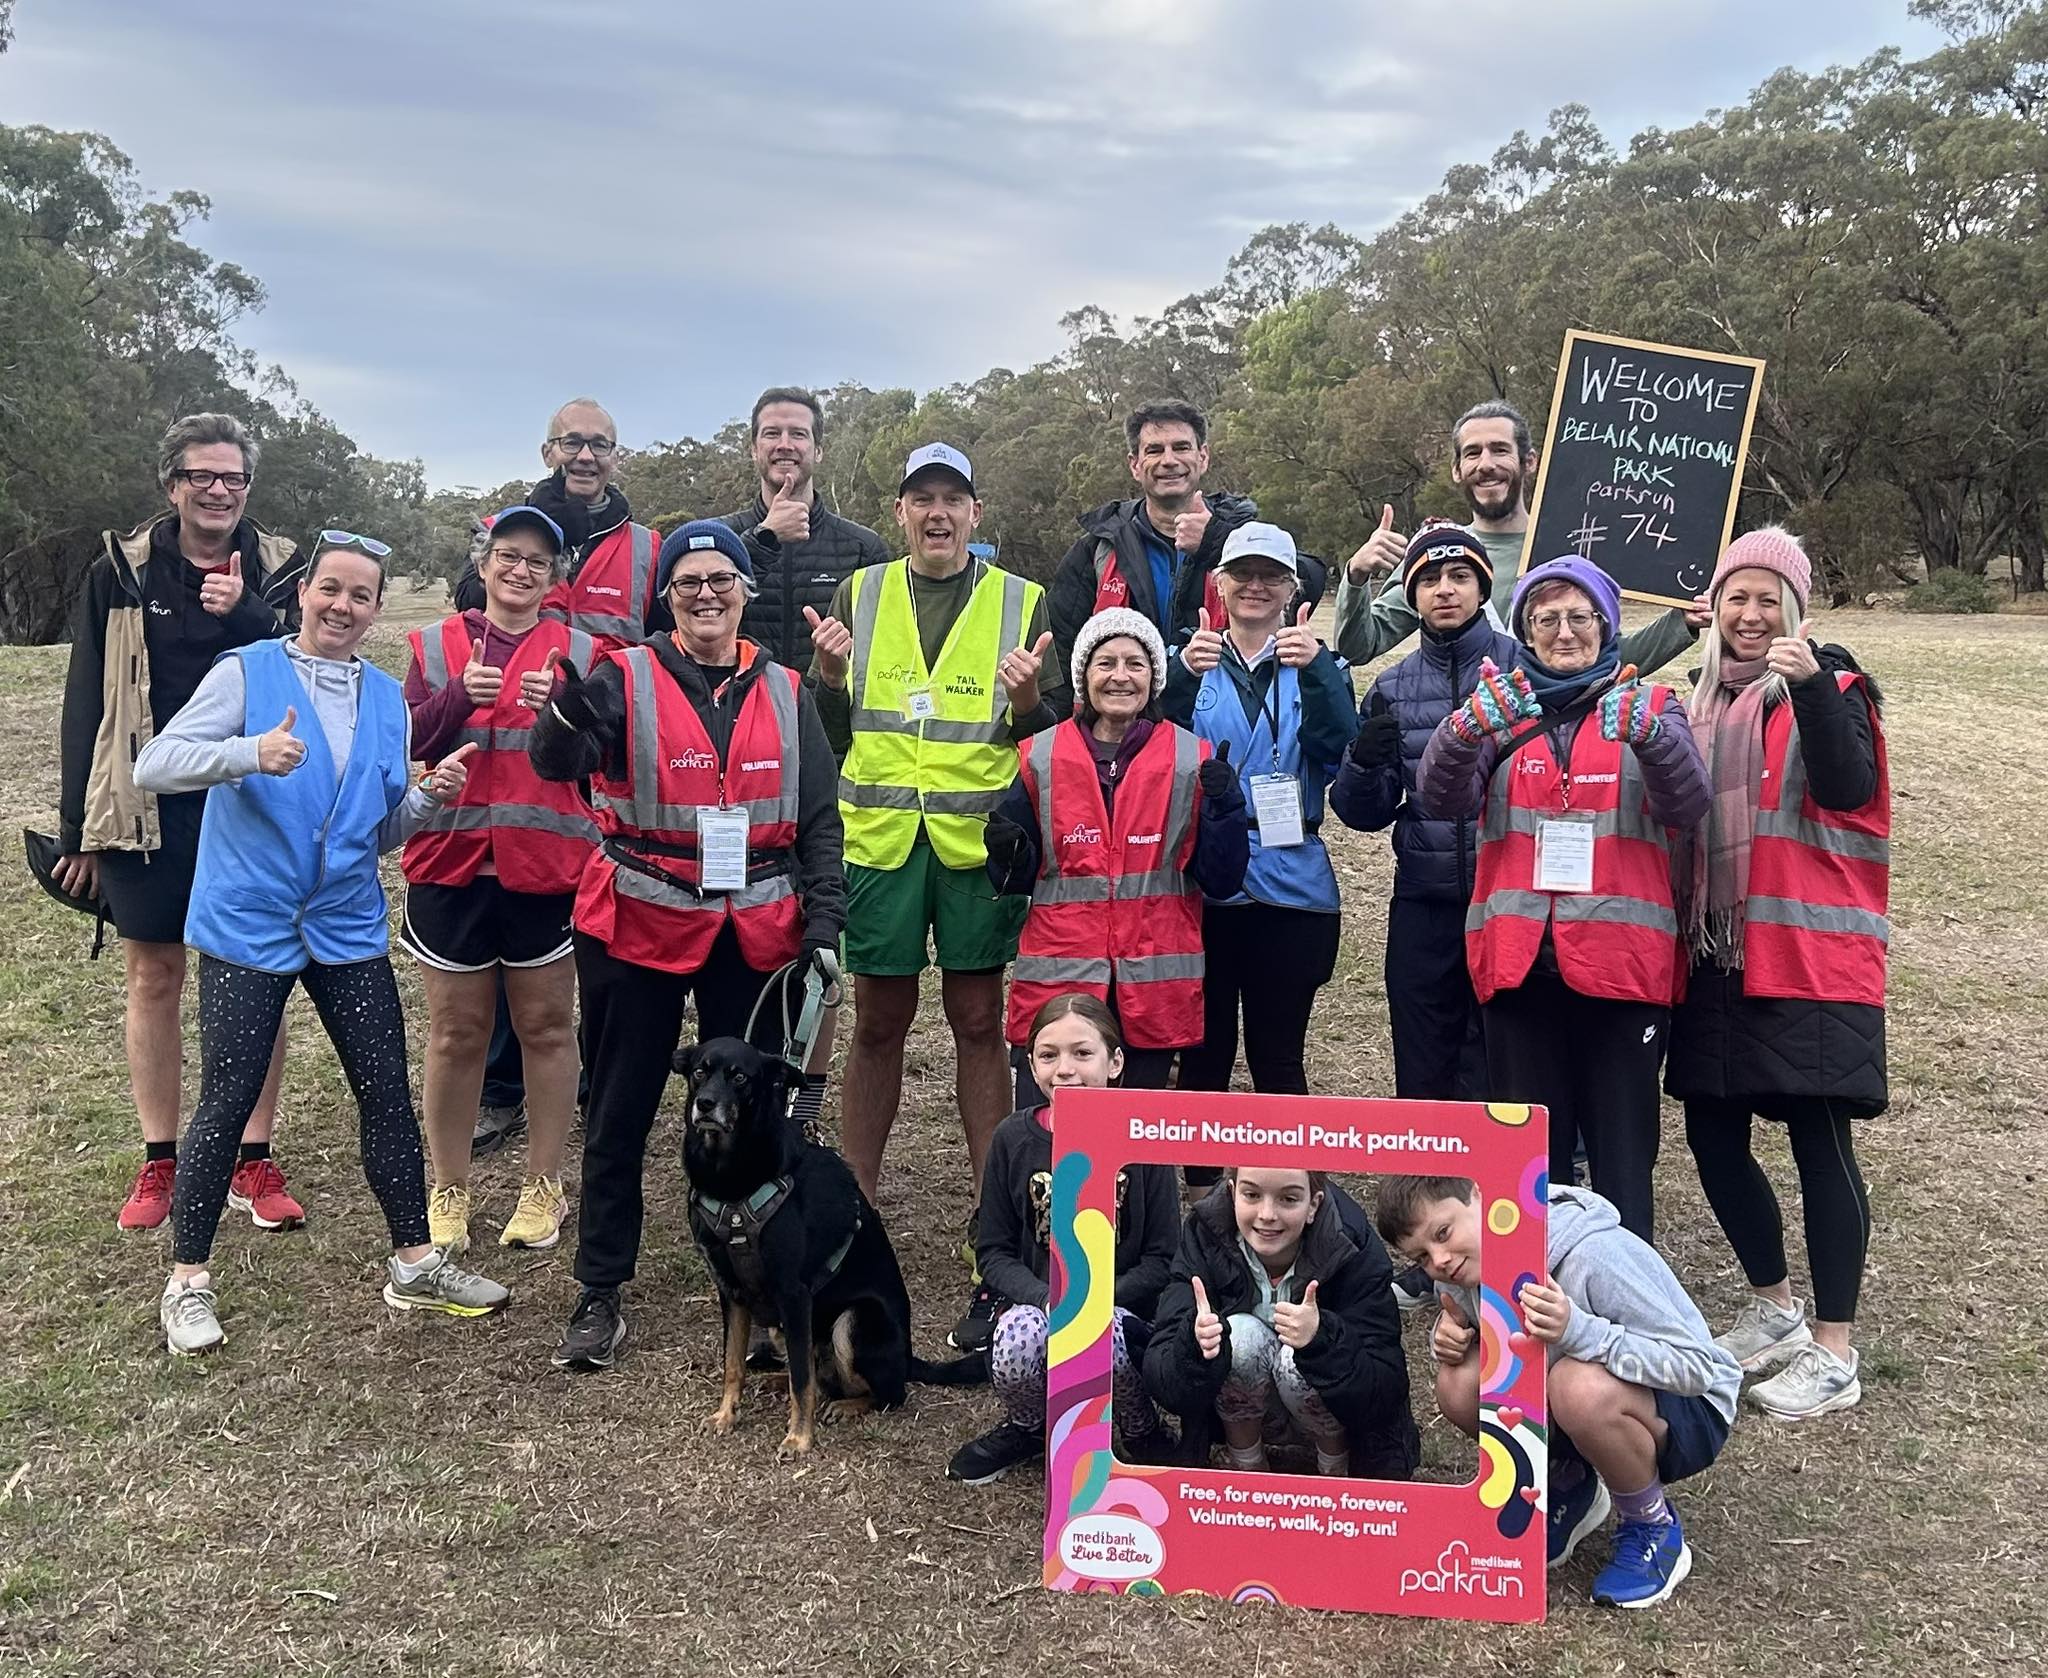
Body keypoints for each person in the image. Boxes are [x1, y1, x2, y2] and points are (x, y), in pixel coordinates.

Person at [132, 534, 511, 1355]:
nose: (342, 606)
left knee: (383, 1092)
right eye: (329, 589)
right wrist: (247, 754)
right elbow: (154, 765)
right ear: (302, 593)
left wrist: (428, 800)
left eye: (361, 595)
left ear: (377, 610)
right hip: (249, 919)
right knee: (228, 1099)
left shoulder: (385, 699)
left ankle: (415, 1261)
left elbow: (374, 830)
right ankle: (188, 1281)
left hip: (344, 923)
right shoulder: (247, 672)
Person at [531, 520, 845, 1372]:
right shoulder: (620, 675)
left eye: (722, 579)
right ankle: (600, 1287)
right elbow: (563, 757)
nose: (706, 593)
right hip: (640, 918)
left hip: (756, 923)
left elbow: (817, 815)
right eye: (686, 582)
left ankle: (764, 1285)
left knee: (754, 1110)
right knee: (622, 1105)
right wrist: (560, 722)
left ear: (746, 589)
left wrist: (825, 922)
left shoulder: (785, 687)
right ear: (663, 597)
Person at [55, 413, 306, 1235]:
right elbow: (84, 699)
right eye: (202, 474)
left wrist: (241, 614)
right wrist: (78, 830)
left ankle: (250, 1157)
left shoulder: (279, 569)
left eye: (234, 477)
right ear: (172, 484)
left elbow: (310, 660)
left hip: (255, 800)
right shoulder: (121, 572)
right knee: (155, 977)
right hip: (148, 805)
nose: (219, 489)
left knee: (255, 977)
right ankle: (160, 1160)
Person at [1417, 556, 1709, 1241]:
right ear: (1523, 630)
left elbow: (1688, 803)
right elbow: (1440, 798)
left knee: (1622, 1155)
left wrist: (1655, 741)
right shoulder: (1498, 710)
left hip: (1623, 969)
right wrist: (1461, 733)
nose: (1564, 632)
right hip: (1519, 967)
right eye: (1545, 618)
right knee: (1529, 1159)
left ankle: (1623, 1303)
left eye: (1581, 617)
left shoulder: (1655, 704)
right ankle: (1531, 1292)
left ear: (1608, 627)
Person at [805, 444, 1062, 1216]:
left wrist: (1023, 703)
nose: (938, 513)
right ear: (901, 514)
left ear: (975, 513)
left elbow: (1042, 734)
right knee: (879, 1021)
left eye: (954, 499)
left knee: (978, 1019)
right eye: (924, 500)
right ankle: (855, 1199)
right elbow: (833, 732)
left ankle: (993, 1211)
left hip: (976, 844)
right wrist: (823, 679)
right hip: (880, 840)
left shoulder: (1023, 600)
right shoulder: (860, 592)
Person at [1666, 528, 1888, 1420]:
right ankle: (1775, 1308)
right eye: (1737, 598)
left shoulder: (1830, 685)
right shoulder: (1698, 699)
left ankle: (1836, 1348)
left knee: (1819, 1144)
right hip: (1715, 951)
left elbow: (1843, 786)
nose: (1751, 616)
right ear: (1714, 608)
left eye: (1770, 599)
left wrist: (1806, 687)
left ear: (1796, 609)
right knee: (1712, 1135)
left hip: (1808, 955)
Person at [456, 397, 668, 1159]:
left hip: (606, 760)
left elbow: (668, 639)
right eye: (572, 443)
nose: (586, 456)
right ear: (548, 450)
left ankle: (587, 1076)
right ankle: (504, 1089)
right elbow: (470, 615)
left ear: (617, 455)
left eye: (600, 444)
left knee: (600, 932)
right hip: (511, 768)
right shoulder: (510, 534)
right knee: (517, 921)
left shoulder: (648, 547)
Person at [1376, 1175, 1741, 1609]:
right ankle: (1568, 1484)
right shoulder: (1460, 1269)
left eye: (1443, 1233)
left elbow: (1696, 1368)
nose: (1440, 1260)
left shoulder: (1592, 1252)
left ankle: (1652, 1526)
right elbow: (1502, 1345)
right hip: (1585, 1401)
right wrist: (1454, 1336)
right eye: (1421, 1257)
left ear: (1481, 1194)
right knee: (1459, 1382)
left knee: (1577, 1386)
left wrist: (1580, 1331)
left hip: (1691, 1409)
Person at [400, 505, 598, 1255]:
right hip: (450, 867)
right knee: (456, 1035)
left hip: (545, 868)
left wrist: (571, 716)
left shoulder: (581, 650)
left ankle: (543, 1184)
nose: (520, 571)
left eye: (537, 562)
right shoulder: (432, 644)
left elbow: (599, 763)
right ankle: (448, 1187)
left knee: (547, 1028)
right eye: (508, 556)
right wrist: (458, 701)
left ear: (555, 580)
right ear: (482, 566)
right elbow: (404, 742)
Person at [987, 606, 1251, 1091]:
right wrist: (1006, 852)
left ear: (1154, 679)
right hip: (1060, 979)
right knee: (1051, 1134)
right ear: (1082, 677)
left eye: (1136, 663)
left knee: (1136, 1140)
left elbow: (1222, 880)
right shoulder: (1040, 756)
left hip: (1151, 987)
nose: (1120, 677)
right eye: (1105, 663)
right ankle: (1060, 1175)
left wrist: (1227, 814)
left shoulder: (1194, 759)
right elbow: (1011, 881)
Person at [946, 996, 1180, 1483]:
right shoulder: (1012, 1138)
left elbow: (1164, 1256)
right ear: (1030, 1065)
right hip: (1040, 1307)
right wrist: (1050, 1300)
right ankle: (1031, 1425)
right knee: (1016, 1339)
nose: (1064, 1070)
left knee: (1109, 1334)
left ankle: (1139, 1430)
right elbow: (993, 1250)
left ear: (1115, 1062)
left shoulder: (1144, 1139)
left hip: (1124, 1309)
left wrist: (1094, 1303)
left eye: (1082, 1053)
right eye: (1048, 1056)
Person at [1162, 522, 1356, 1104]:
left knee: (1277, 1057)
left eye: (1270, 575)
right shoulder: (1187, 659)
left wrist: (1318, 672)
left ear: (1292, 587)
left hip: (1292, 881)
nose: (1255, 586)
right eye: (1242, 574)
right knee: (1203, 1052)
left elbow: (1337, 749)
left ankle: (1290, 1192)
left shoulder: (1325, 665)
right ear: (1218, 584)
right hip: (1205, 879)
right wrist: (1178, 678)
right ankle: (1201, 1189)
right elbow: (1151, 749)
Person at [1330, 523, 1521, 1102]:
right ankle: (1423, 1188)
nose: (1445, 590)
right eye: (1429, 579)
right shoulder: (1390, 687)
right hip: (1425, 901)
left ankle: (1504, 1187)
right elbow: (1364, 814)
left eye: (1460, 577)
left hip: (1510, 898)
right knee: (1423, 1060)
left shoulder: (1525, 669)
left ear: (1483, 589)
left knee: (1503, 1062)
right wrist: (1363, 767)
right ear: (1410, 596)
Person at [1332, 399, 1706, 673]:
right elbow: (1361, 646)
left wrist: (1680, 622)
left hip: (1546, 753)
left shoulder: (1575, 549)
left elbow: (1610, 660)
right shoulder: (1437, 554)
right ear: (1457, 471)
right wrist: (1357, 575)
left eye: (1500, 450)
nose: (1486, 465)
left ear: (1529, 462)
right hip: (1461, 752)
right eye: (1473, 454)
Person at [1146, 1166, 1419, 1478]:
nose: (1267, 1214)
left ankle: (1335, 1466)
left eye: (1288, 1199)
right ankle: (1246, 1462)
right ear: (1232, 1193)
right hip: (1243, 1406)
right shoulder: (1201, 1234)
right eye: (1251, 1195)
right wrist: (1192, 1347)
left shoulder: (1352, 1243)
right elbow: (1162, 1377)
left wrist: (1323, 1341)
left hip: (1335, 1413)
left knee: (1297, 1357)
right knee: (1240, 1337)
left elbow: (1386, 1386)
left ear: (1313, 1205)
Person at [1045, 400, 1256, 683]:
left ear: (1203, 457)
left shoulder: (1244, 532)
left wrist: (1216, 543)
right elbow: (1061, 648)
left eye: (1181, 447)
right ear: (1134, 464)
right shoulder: (1098, 547)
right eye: (1154, 450)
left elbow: (1305, 579)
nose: (1168, 460)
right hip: (1129, 717)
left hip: (1221, 717)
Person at [720, 386, 890, 670]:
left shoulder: (864, 549)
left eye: (798, 434)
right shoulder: (719, 538)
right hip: (738, 709)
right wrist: (765, 538)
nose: (784, 444)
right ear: (753, 449)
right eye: (772, 433)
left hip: (825, 711)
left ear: (819, 450)